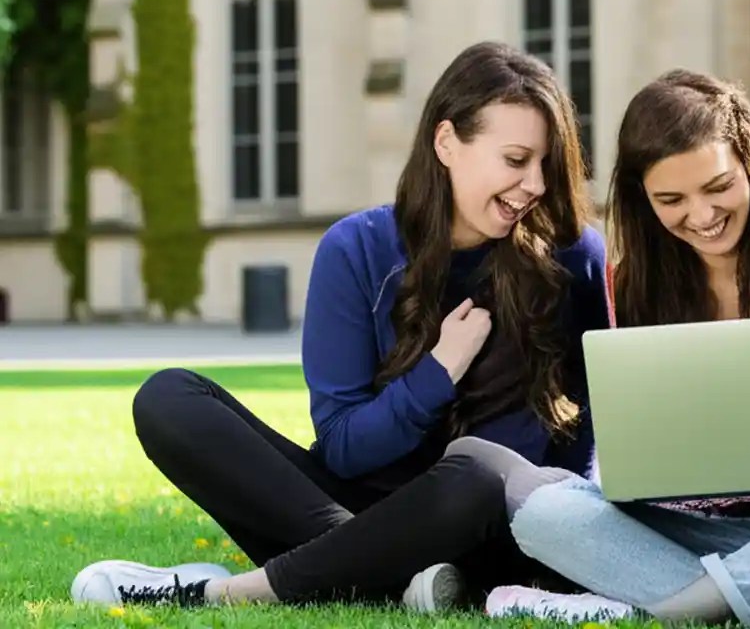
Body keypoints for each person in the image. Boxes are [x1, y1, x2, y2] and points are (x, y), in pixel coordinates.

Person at [69, 41, 610, 612]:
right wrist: (438, 370)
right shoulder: (357, 250)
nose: (535, 185)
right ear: (446, 142)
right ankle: (392, 576)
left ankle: (229, 590)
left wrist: (569, 538)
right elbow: (345, 449)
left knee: (475, 473)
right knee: (169, 398)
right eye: (516, 160)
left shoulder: (575, 258)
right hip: (356, 504)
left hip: (486, 523)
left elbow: (591, 426)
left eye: (547, 165)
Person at [447, 69, 750, 626]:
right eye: (672, 199)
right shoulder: (637, 285)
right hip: (699, 529)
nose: (703, 217)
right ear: (643, 199)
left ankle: (670, 607)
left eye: (718, 187)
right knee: (545, 510)